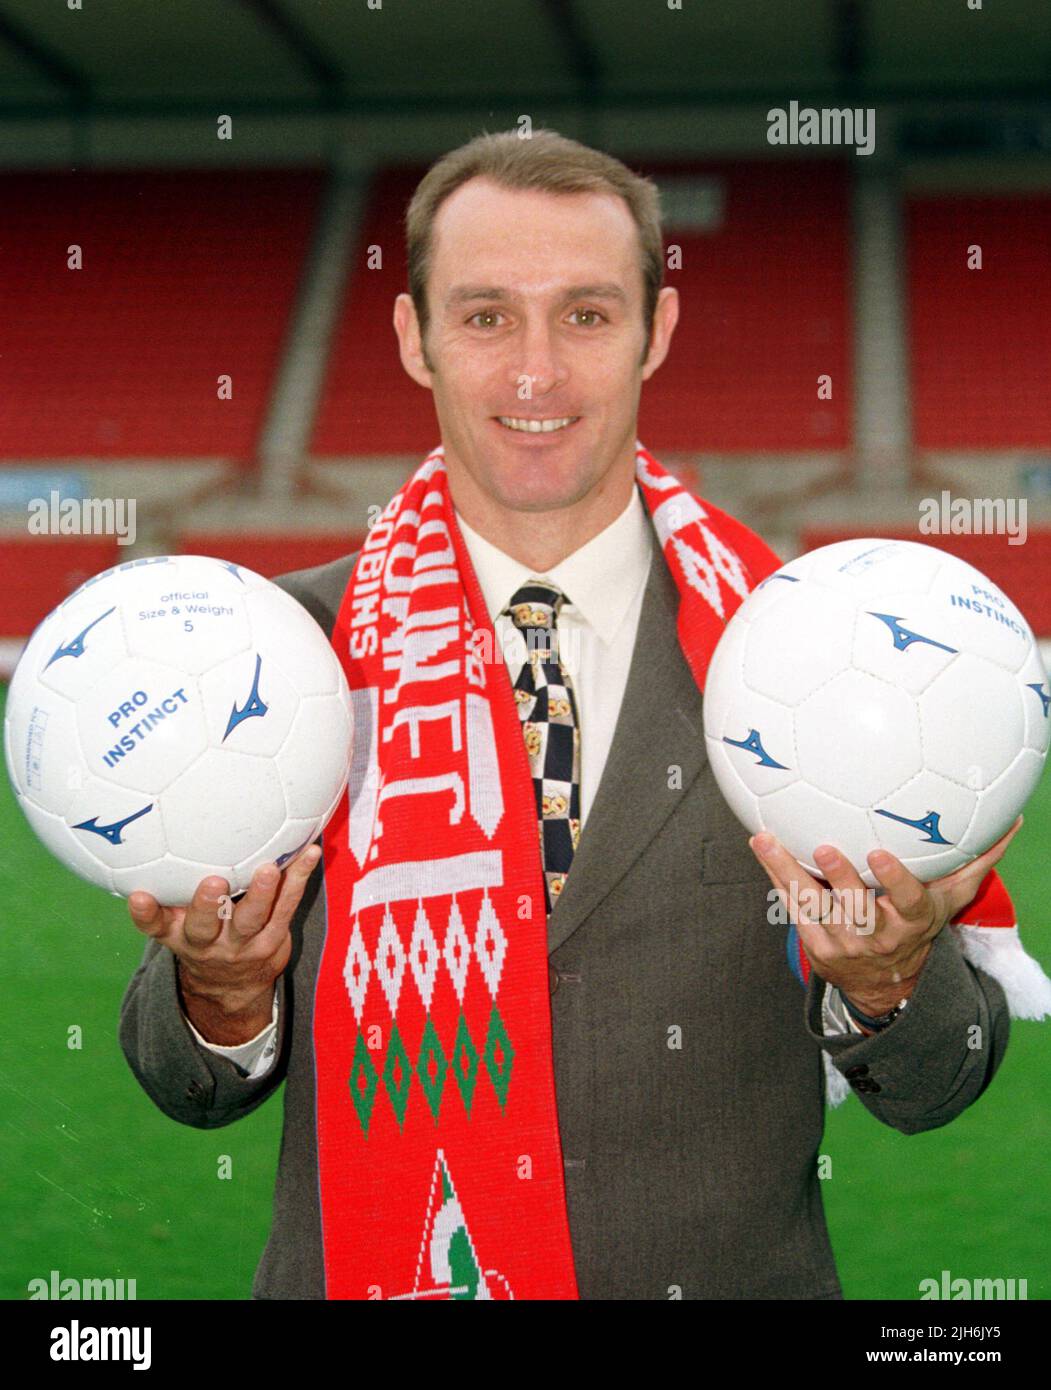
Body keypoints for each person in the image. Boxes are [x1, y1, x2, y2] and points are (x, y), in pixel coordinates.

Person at [120, 129, 1017, 1301]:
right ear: (414, 336)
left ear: (658, 330)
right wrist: (224, 995)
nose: (534, 372)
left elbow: (935, 1084)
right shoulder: (276, 659)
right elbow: (189, 1085)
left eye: (586, 316)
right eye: (486, 316)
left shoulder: (809, 655)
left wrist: (889, 977)